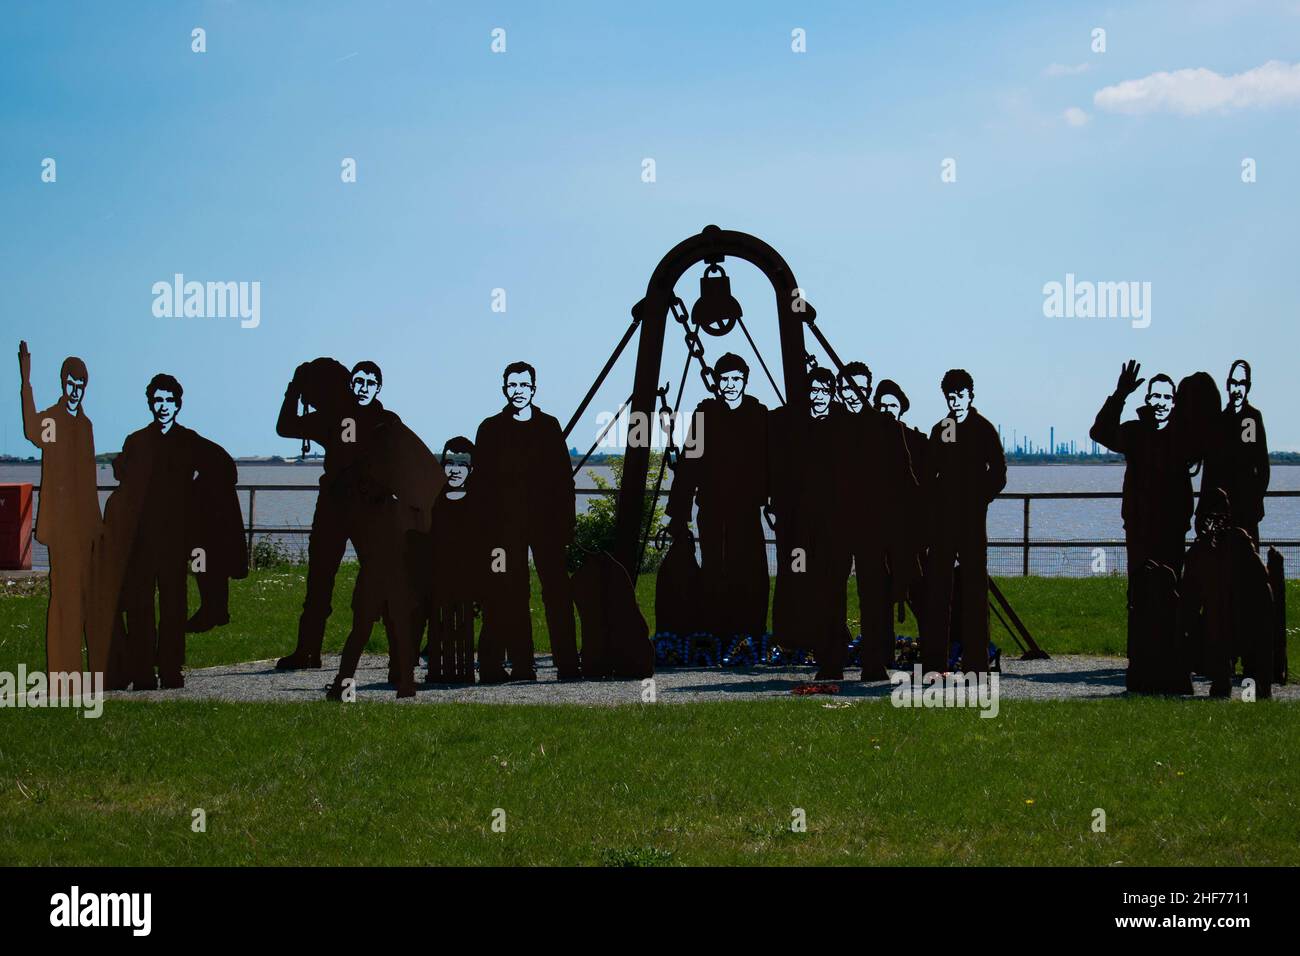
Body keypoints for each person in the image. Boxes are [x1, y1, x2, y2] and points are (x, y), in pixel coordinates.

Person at [112, 374, 232, 689]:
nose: (163, 406)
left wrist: (197, 494)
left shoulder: (189, 440)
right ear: (150, 403)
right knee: (140, 606)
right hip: (141, 538)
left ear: (178, 404)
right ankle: (142, 672)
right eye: (158, 400)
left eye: (169, 401)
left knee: (173, 606)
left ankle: (170, 668)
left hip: (175, 538)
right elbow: (122, 474)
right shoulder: (136, 440)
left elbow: (224, 466)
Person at [1089, 360, 1195, 693]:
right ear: (1148, 400)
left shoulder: (1184, 435)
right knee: (1139, 597)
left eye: (1167, 397)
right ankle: (1141, 667)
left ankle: (1170, 667)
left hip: (1172, 529)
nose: (1161, 402)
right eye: (1155, 396)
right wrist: (1119, 394)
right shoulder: (1134, 432)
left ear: (1174, 402)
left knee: (1172, 596)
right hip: (1140, 528)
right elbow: (1100, 433)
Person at [273, 359, 382, 670]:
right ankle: (403, 646)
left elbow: (285, 426)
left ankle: (309, 650)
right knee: (371, 573)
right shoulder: (369, 413)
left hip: (341, 504)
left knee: (322, 580)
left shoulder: (332, 418)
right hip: (357, 505)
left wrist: (291, 392)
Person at [473, 362, 578, 681]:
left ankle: (568, 663)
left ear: (534, 388)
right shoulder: (490, 429)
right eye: (513, 385)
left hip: (546, 524)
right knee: (513, 592)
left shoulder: (549, 426)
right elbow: (481, 484)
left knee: (557, 592)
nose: (518, 391)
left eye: (524, 385)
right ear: (505, 389)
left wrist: (567, 523)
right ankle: (522, 664)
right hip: (505, 527)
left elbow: (564, 480)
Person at [666, 353, 770, 640]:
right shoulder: (705, 417)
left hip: (746, 507)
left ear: (745, 381)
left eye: (736, 379)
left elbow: (773, 462)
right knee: (714, 566)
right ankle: (716, 629)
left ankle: (750, 629)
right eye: (725, 379)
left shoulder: (759, 416)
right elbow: (688, 465)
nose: (731, 385)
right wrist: (678, 514)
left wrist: (774, 501)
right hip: (712, 506)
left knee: (750, 568)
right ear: (717, 382)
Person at [17, 341, 102, 679]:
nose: (75, 390)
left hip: (85, 527)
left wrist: (98, 527)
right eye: (70, 383)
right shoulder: (51, 421)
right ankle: (62, 673)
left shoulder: (86, 426)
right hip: (62, 528)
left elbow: (89, 479)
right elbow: (31, 429)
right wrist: (26, 382)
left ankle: (82, 672)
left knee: (83, 597)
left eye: (80, 384)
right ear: (62, 383)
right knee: (63, 597)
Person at [920, 369, 1006, 674]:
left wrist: (978, 498)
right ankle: (934, 663)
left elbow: (998, 472)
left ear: (970, 395)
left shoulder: (983, 430)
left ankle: (976, 663)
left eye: (959, 395)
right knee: (937, 594)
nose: (954, 401)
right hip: (943, 524)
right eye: (949, 396)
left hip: (971, 522)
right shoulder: (940, 430)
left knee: (974, 594)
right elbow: (928, 474)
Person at [836, 364, 918, 681]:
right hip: (838, 523)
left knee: (873, 594)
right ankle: (833, 659)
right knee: (833, 593)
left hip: (872, 524)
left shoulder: (885, 427)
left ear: (868, 391)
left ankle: (873, 660)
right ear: (841, 391)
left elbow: (904, 477)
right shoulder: (831, 428)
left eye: (860, 388)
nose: (853, 394)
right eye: (848, 387)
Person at [769, 367, 848, 680]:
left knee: (834, 588)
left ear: (831, 393)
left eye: (823, 390)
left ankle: (833, 654)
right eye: (813, 391)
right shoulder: (796, 429)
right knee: (812, 586)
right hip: (805, 526)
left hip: (836, 525)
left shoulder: (841, 429)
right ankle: (823, 649)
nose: (818, 396)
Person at [1180, 487, 1273, 698]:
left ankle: (1244, 686)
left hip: (1237, 613)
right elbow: (1189, 599)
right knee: (1215, 624)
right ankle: (1229, 683)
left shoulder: (1237, 547)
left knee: (1219, 625)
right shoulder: (1201, 553)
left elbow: (1260, 584)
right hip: (1219, 614)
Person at [418, 437, 485, 683]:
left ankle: (464, 669)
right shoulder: (433, 500)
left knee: (464, 624)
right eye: (449, 463)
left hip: (465, 572)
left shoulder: (477, 501)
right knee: (438, 623)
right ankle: (437, 668)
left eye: (462, 464)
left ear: (471, 468)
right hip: (439, 571)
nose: (455, 470)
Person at [1202, 360, 1269, 550]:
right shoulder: (1220, 421)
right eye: (1234, 383)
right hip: (1223, 507)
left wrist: (1255, 500)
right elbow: (1211, 467)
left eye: (1241, 384)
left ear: (1248, 387)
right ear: (1227, 385)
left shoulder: (1252, 418)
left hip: (1246, 505)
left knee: (1248, 554)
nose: (1237, 389)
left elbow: (1262, 465)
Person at [185, 435, 248, 632]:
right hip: (212, 530)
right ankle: (216, 609)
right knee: (211, 567)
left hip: (204, 532)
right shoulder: (218, 485)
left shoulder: (205, 490)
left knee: (203, 566)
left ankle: (211, 610)